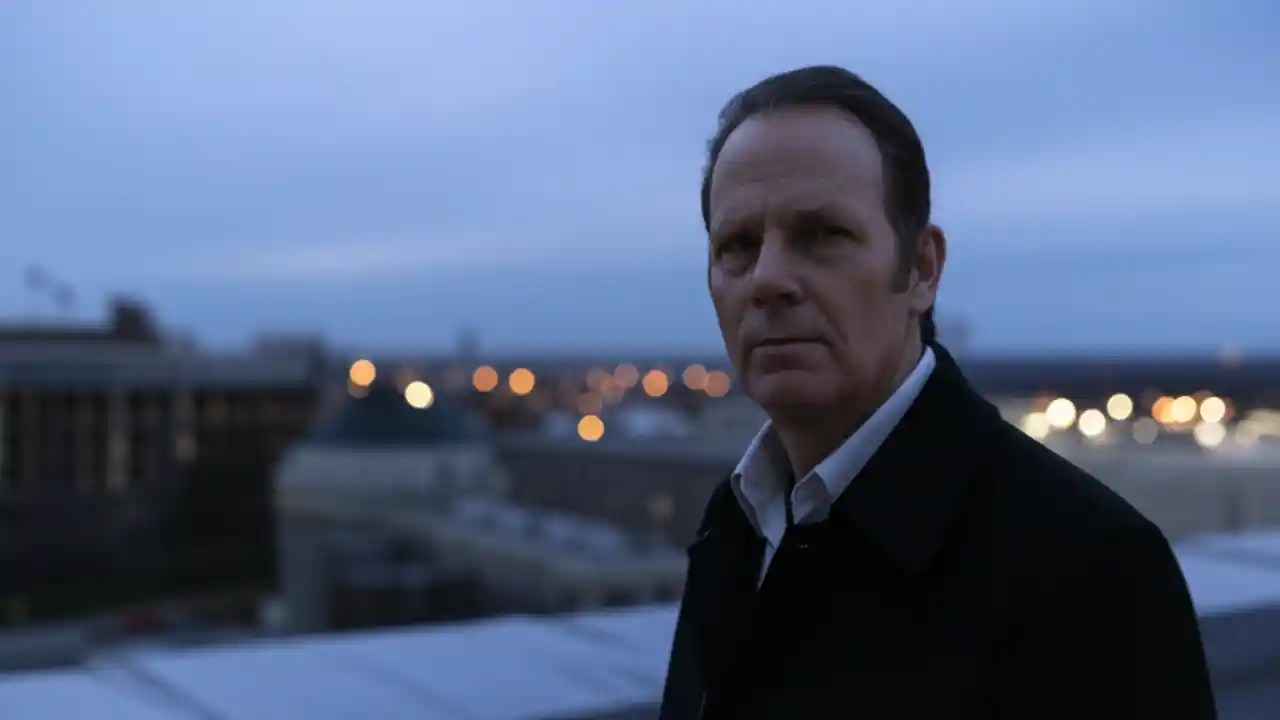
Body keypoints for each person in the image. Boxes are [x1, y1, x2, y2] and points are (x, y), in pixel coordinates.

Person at [658, 66, 1217, 719]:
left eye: (822, 235)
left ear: (922, 270)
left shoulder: (1091, 571)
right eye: (738, 245)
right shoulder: (735, 526)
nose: (769, 279)